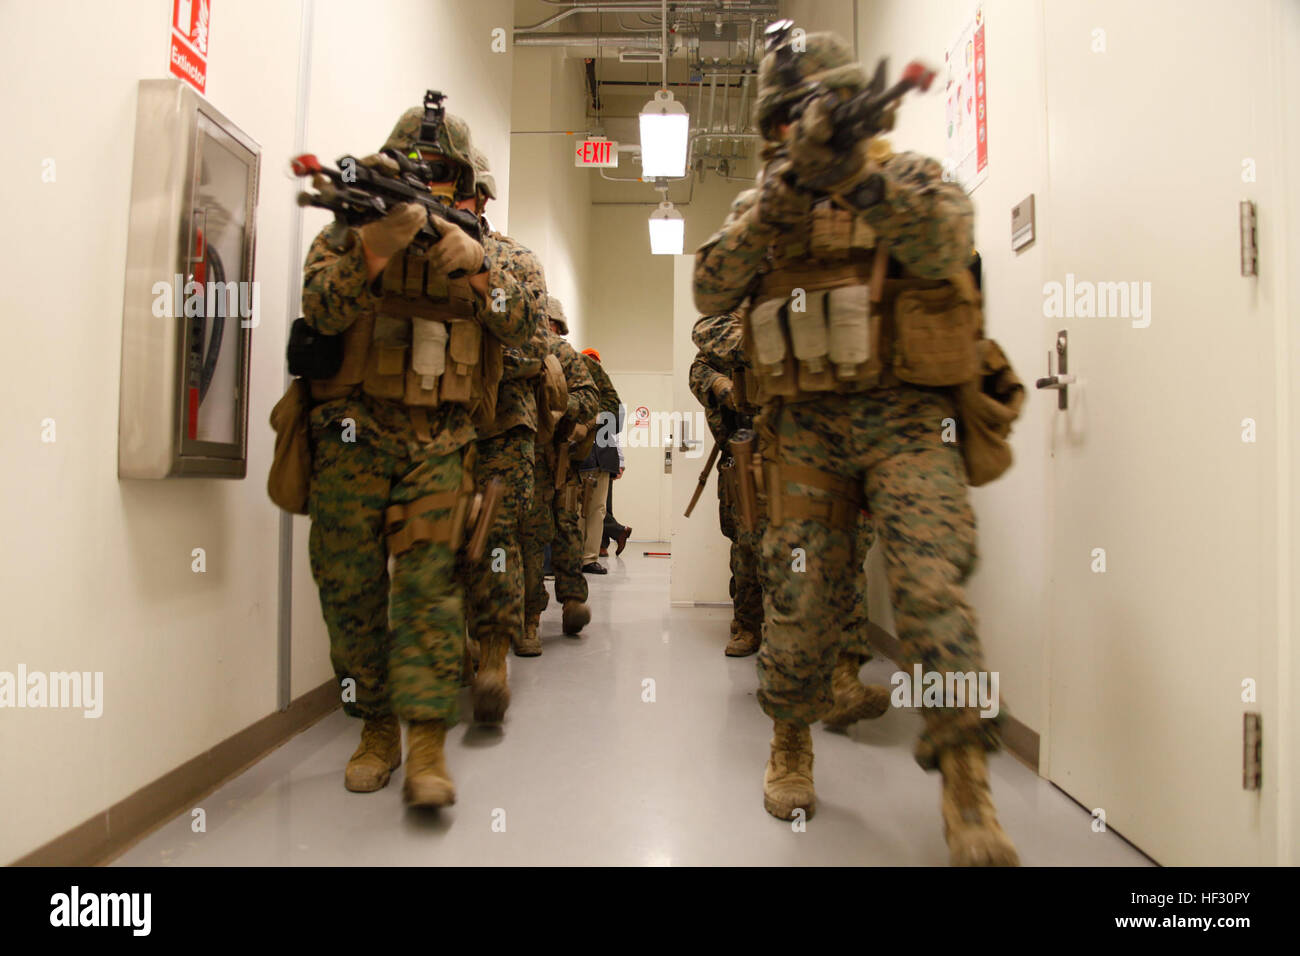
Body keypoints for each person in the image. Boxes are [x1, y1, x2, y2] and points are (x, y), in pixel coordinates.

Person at [693, 28, 1018, 865]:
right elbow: (710, 285)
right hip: (802, 430)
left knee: (932, 595)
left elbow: (947, 247)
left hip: (910, 424)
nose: (795, 133)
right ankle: (791, 743)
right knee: (796, 603)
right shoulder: (762, 205)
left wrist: (859, 183)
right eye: (784, 122)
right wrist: (784, 200)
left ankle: (966, 778)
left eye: (810, 116)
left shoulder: (908, 175)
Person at [301, 102, 532, 808]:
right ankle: (376, 728)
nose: (431, 185)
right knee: (350, 591)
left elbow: (524, 327)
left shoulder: (483, 247)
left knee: (430, 589)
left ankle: (428, 741)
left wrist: (478, 272)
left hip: (442, 440)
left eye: (442, 174)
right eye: (418, 171)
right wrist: (374, 252)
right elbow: (321, 313)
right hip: (352, 435)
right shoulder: (349, 230)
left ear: (463, 181)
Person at [451, 147, 549, 721]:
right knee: (435, 542)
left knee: (495, 538)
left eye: (464, 189)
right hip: (429, 424)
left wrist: (475, 354)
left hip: (501, 423)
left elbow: (532, 347)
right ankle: (454, 647)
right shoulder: (409, 247)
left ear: (484, 197)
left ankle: (493, 653)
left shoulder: (514, 261)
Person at [519, 297, 599, 654]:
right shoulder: (555, 352)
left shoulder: (558, 354)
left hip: (547, 459)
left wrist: (556, 406)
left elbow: (590, 401)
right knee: (559, 530)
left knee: (538, 536)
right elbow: (591, 399)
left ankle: (536, 619)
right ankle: (560, 607)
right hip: (543, 460)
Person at [577, 347, 622, 574]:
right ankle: (574, 557)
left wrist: (594, 418)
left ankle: (589, 558)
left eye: (595, 363)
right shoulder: (573, 386)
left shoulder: (606, 392)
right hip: (576, 458)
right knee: (574, 511)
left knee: (597, 510)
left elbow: (617, 422)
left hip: (601, 458)